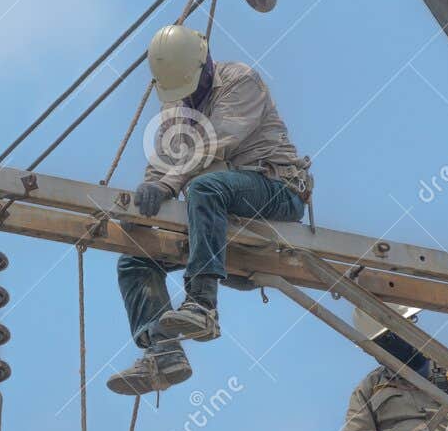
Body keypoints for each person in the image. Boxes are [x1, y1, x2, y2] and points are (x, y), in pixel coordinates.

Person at [107, 25, 310, 396]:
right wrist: (147, 196)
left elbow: (213, 143)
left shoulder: (240, 81)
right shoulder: (177, 105)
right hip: (216, 214)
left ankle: (202, 305)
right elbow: (165, 160)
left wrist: (167, 185)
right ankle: (162, 352)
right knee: (135, 259)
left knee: (204, 187)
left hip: (274, 191)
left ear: (205, 64)